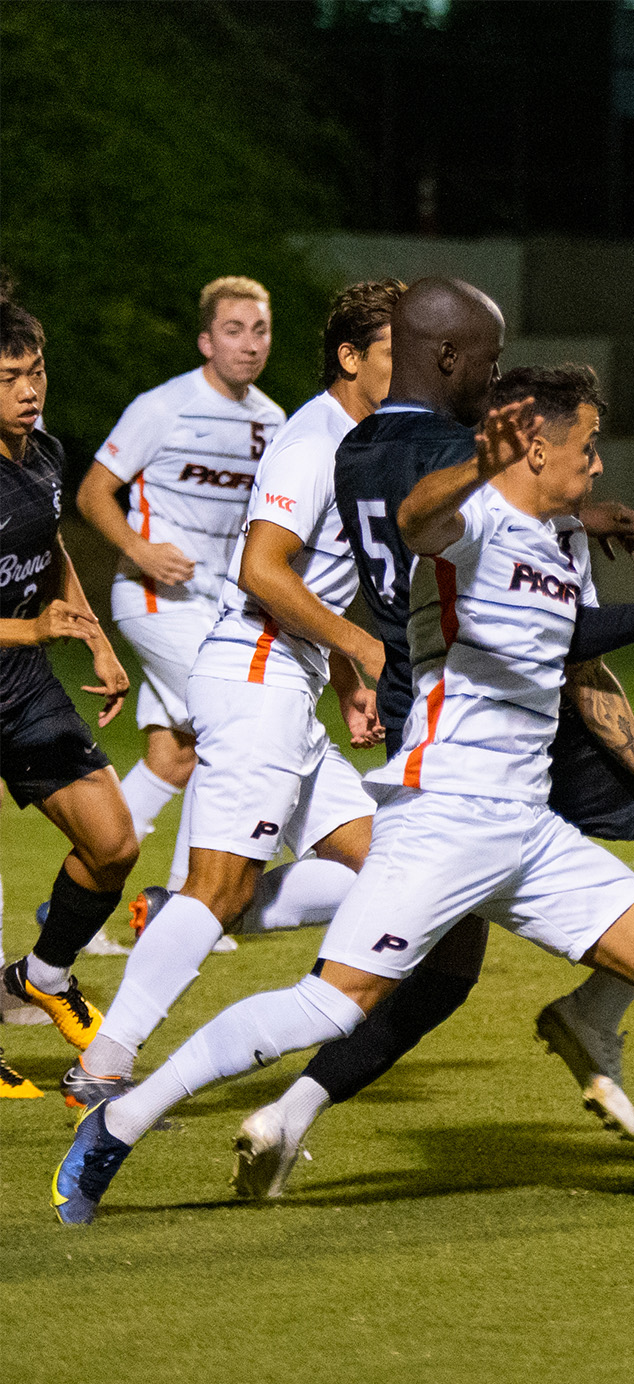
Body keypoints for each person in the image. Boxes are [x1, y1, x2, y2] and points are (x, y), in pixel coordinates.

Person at [53, 380, 634, 1223]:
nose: (598, 463)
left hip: (524, 827)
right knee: (327, 1005)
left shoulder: (546, 537)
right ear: (535, 448)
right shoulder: (476, 522)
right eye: (588, 446)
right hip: (445, 820)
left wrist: (606, 566)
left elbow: (563, 643)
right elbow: (420, 521)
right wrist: (478, 472)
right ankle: (118, 1121)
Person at [61, 281, 409, 1111]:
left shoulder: (359, 439)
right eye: (401, 350)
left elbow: (315, 574)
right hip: (254, 677)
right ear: (353, 358)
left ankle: (178, 912)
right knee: (220, 887)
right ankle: (104, 1068)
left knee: (387, 867)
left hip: (286, 682)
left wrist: (347, 678)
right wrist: (358, 646)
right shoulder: (312, 438)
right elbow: (262, 572)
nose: (422, 365)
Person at [75, 277, 285, 906]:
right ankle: (188, 901)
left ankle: (81, 894)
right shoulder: (163, 406)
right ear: (205, 340)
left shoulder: (272, 421)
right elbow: (91, 493)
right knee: (230, 724)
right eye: (233, 330)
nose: (248, 344)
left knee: (176, 758)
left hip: (218, 607)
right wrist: (140, 549)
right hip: (151, 599)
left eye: (260, 330)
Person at [0, 290, 139, 1057]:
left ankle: (44, 977)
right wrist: (32, 627)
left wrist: (95, 639)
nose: (29, 390)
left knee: (113, 843)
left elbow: (48, 551)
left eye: (37, 372)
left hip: (20, 689)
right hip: (17, 654)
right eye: (9, 376)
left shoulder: (45, 455)